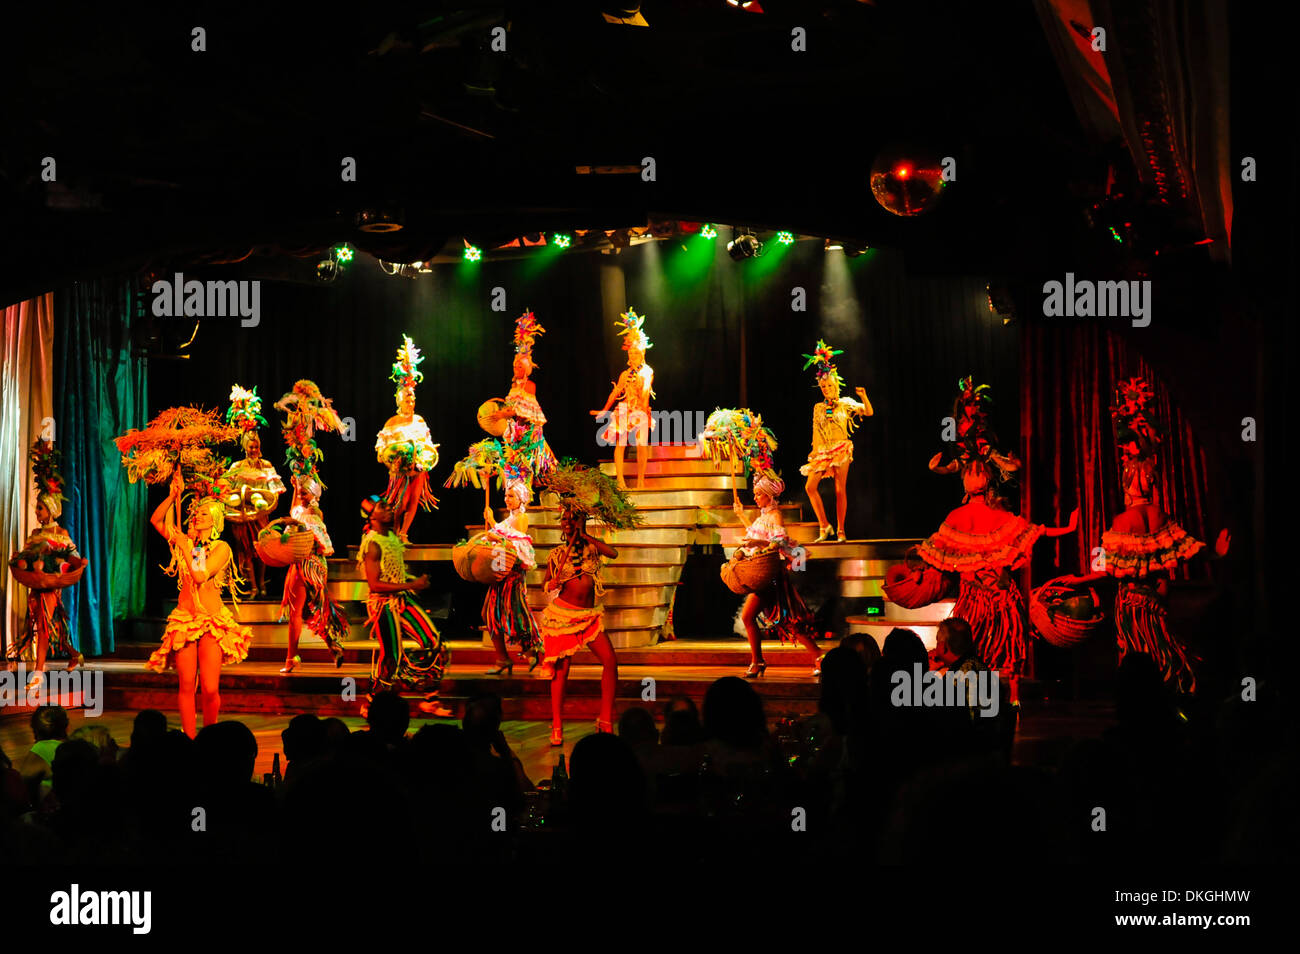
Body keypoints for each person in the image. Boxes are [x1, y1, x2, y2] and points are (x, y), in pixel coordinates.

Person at [1061, 377, 1230, 692]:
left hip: (1133, 606)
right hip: (1157, 603)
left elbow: (1109, 570)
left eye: (1126, 467)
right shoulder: (1161, 516)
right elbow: (1188, 549)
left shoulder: (1124, 520)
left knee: (1138, 662)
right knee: (1162, 656)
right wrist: (1217, 553)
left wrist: (1077, 580)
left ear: (1132, 481)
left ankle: (1143, 710)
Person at [919, 377, 1076, 704]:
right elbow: (951, 469)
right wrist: (937, 467)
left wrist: (1068, 528)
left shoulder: (997, 508)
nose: (970, 414)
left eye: (974, 407)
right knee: (974, 633)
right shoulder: (958, 516)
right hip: (976, 592)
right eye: (966, 408)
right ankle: (968, 688)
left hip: (997, 591)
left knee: (1006, 637)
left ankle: (1010, 693)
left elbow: (1032, 528)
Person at [538, 461, 640, 746]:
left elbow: (615, 553)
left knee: (610, 661)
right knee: (561, 670)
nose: (567, 522)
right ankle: (557, 725)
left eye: (573, 518)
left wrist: (585, 535)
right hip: (563, 616)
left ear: (581, 520)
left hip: (590, 617)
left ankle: (605, 718)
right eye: (565, 519)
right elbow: (545, 584)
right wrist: (551, 585)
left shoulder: (593, 546)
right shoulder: (557, 554)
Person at [145, 470, 253, 738]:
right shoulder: (187, 542)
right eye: (196, 512)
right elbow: (156, 519)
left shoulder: (221, 548)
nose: (196, 515)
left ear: (214, 520)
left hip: (211, 621)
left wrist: (186, 546)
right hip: (185, 619)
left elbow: (200, 574)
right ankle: (190, 739)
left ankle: (211, 736)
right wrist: (172, 497)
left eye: (203, 513)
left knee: (210, 688)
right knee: (185, 685)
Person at [274, 380, 348, 673]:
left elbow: (306, 496)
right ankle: (293, 657)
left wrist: (305, 454)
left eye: (306, 491)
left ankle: (331, 646)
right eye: (301, 491)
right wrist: (300, 426)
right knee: (297, 609)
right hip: (299, 563)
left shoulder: (313, 510)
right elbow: (296, 490)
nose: (303, 493)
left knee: (317, 605)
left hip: (312, 563)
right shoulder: (297, 505)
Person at [358, 495, 452, 718]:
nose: (389, 508)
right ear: (371, 516)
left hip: (401, 600)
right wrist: (412, 583)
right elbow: (375, 584)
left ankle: (430, 699)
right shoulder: (372, 544)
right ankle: (370, 704)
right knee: (390, 658)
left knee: (433, 642)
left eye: (388, 504)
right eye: (382, 507)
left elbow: (392, 573)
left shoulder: (390, 536)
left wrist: (411, 580)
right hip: (383, 606)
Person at [730, 472, 825, 677]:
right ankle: (818, 656)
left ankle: (758, 662)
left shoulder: (776, 515)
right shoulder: (764, 516)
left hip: (771, 577)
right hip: (765, 576)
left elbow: (778, 543)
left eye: (758, 494)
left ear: (769, 496)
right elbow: (757, 535)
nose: (755, 497)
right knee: (788, 621)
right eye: (755, 494)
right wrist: (741, 515)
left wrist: (758, 544)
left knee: (751, 617)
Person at [7, 440, 84, 690]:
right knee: (50, 626)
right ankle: (74, 654)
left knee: (43, 626)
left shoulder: (60, 532)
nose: (37, 512)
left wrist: (74, 563)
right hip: (37, 584)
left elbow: (72, 558)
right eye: (37, 508)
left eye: (40, 508)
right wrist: (22, 558)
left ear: (50, 510)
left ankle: (39, 672)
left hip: (50, 586)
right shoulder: (34, 532)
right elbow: (28, 560)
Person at [799, 340, 873, 542]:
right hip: (823, 450)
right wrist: (815, 454)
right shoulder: (818, 408)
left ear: (836, 385)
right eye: (823, 386)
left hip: (841, 448)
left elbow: (868, 412)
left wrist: (864, 397)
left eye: (829, 385)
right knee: (810, 487)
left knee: (840, 489)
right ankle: (825, 526)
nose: (826, 389)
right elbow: (815, 431)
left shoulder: (845, 403)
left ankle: (841, 530)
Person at [220, 385, 284, 597]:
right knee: (246, 549)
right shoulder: (237, 467)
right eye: (250, 447)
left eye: (256, 446)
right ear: (245, 447)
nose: (254, 450)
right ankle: (254, 586)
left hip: (261, 514)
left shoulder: (266, 466)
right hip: (242, 515)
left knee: (262, 547)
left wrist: (267, 499)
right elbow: (226, 490)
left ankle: (263, 584)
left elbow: (275, 490)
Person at [375, 336, 440, 541]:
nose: (410, 401)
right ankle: (394, 531)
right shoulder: (391, 423)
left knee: (413, 501)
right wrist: (391, 462)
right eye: (406, 397)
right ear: (399, 400)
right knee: (399, 503)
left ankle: (404, 533)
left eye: (412, 397)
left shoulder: (420, 421)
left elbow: (429, 446)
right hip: (399, 468)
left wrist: (426, 458)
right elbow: (381, 450)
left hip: (418, 468)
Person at [480, 475, 543, 674]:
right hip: (501, 573)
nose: (507, 499)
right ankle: (506, 657)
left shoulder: (521, 518)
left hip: (512, 574)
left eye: (512, 496)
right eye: (506, 495)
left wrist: (494, 534)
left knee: (513, 614)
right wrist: (490, 522)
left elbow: (516, 543)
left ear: (521, 499)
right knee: (491, 614)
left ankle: (527, 652)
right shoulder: (509, 519)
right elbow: (501, 535)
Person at [591, 308, 656, 490]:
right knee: (620, 444)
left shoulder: (647, 371)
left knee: (642, 444)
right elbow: (615, 393)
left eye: (635, 353)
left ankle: (641, 480)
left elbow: (645, 390)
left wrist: (643, 409)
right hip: (625, 410)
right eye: (630, 353)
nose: (632, 356)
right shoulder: (625, 374)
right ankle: (620, 480)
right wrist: (604, 410)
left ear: (642, 353)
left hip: (640, 410)